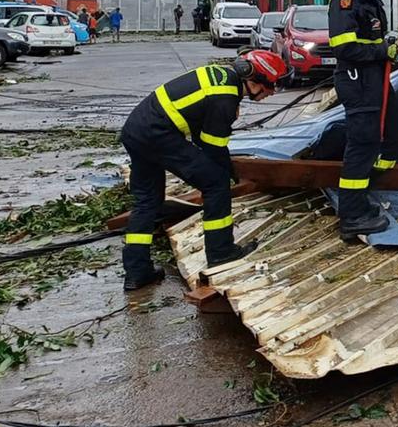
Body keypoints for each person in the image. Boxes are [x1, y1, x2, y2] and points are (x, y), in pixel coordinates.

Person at [119, 50, 288, 290]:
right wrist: (229, 173)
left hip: (136, 131)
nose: (271, 93)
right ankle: (221, 252)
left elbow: (201, 134)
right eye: (271, 87)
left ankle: (137, 273)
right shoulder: (226, 97)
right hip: (159, 135)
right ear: (255, 79)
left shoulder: (219, 77)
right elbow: (212, 146)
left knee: (147, 201)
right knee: (216, 185)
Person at [323, 0, 398, 239]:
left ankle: (364, 193)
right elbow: (345, 47)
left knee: (394, 128)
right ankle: (352, 216)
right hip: (358, 80)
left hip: (374, 77)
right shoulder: (344, 0)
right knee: (362, 144)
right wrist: (382, 51)